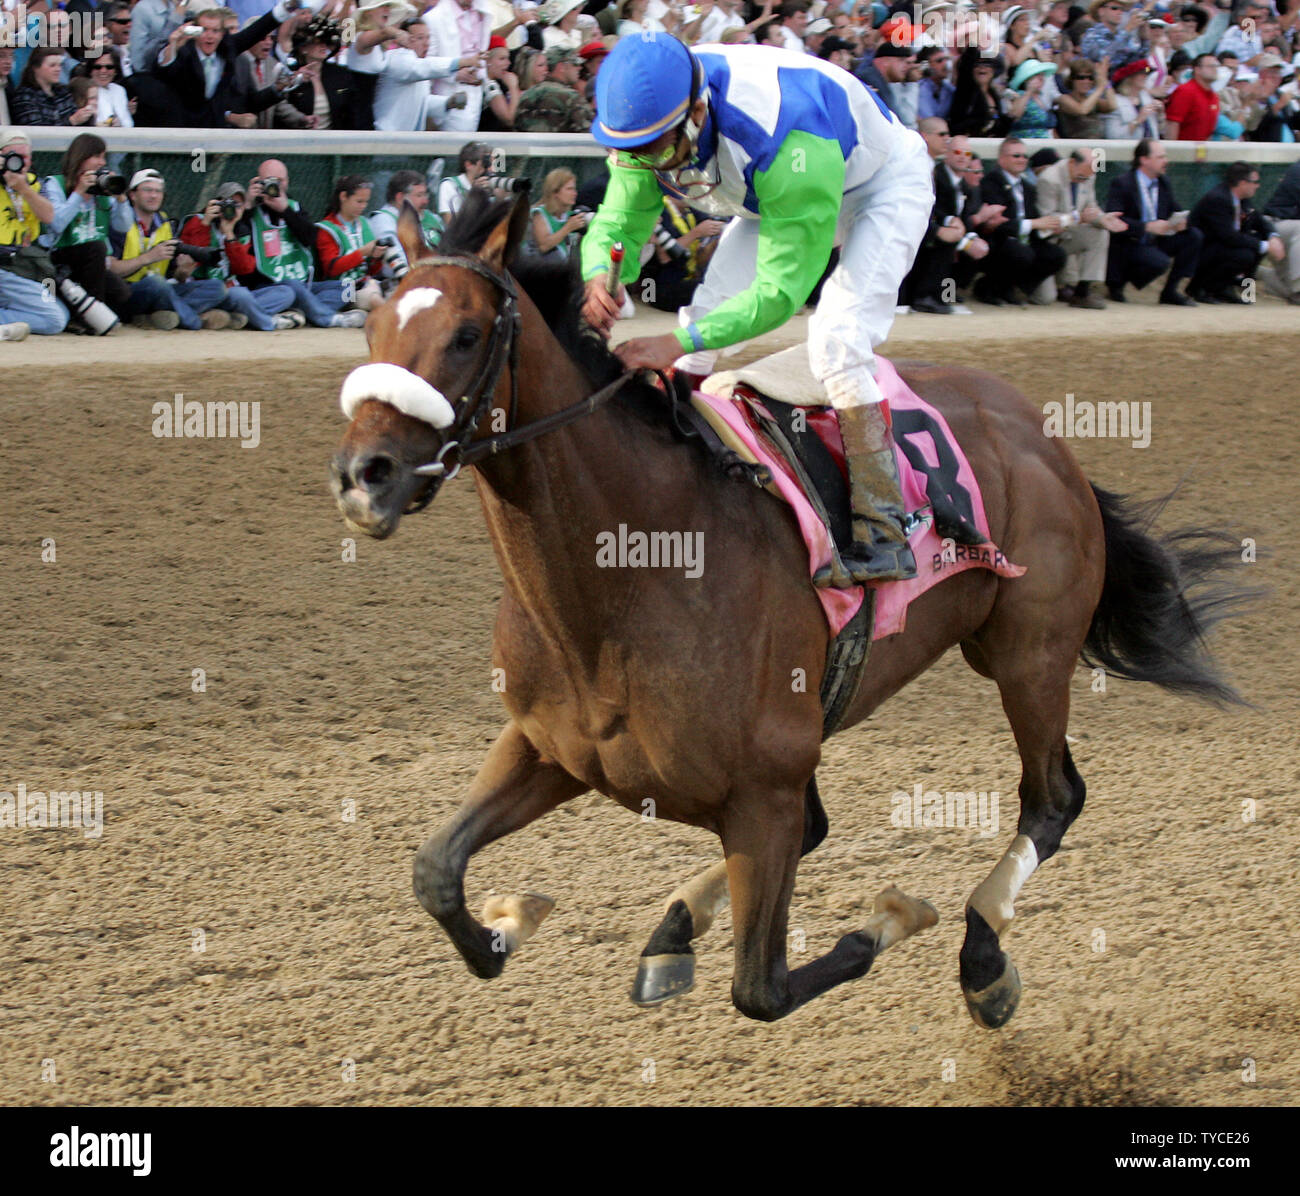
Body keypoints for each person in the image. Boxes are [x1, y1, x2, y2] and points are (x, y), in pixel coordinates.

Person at [580, 34, 938, 583]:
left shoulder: (785, 134)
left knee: (837, 342)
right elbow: (619, 220)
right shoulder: (644, 120)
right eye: (636, 150)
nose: (646, 162)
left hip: (875, 186)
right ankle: (679, 460)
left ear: (696, 111)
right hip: (763, 193)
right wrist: (599, 279)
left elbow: (778, 295)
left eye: (658, 148)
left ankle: (885, 531)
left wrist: (674, 344)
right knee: (706, 314)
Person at [224, 158, 366, 327]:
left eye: (280, 181)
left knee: (348, 288)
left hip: (302, 283)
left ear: (288, 182)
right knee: (291, 289)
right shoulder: (250, 212)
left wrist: (284, 210)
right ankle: (328, 319)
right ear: (258, 182)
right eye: (270, 181)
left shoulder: (293, 207)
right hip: (270, 286)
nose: (275, 185)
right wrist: (247, 205)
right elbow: (237, 240)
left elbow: (310, 238)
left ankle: (301, 312)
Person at [153, 2, 310, 129]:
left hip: (216, 136)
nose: (209, 36)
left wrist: (288, 6)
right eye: (204, 30)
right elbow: (163, 71)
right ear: (194, 31)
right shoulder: (184, 52)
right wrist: (173, 44)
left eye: (215, 31)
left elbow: (258, 29)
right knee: (195, 168)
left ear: (222, 34)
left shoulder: (227, 49)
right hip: (182, 135)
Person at [109, 168, 232, 329]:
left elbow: (175, 276)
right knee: (156, 283)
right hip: (129, 291)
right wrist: (147, 258)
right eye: (147, 190)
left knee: (216, 288)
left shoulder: (166, 223)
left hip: (163, 289)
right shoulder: (121, 222)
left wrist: (183, 271)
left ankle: (153, 317)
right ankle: (195, 321)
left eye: (158, 191)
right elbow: (111, 269)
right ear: (133, 195)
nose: (153, 195)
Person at [178, 181, 303, 331]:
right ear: (217, 204)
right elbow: (193, 259)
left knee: (286, 292)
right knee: (240, 294)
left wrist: (229, 235)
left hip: (232, 293)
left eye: (238, 205)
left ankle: (230, 316)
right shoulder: (197, 221)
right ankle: (268, 322)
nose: (232, 209)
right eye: (228, 203)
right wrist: (205, 223)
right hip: (207, 289)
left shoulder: (241, 230)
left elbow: (244, 268)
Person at [903, 117, 993, 314]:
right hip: (915, 226)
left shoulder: (965, 185)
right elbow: (925, 208)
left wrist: (966, 234)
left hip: (935, 227)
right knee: (951, 245)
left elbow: (959, 216)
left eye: (967, 153)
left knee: (970, 247)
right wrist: (954, 233)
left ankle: (946, 296)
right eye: (942, 135)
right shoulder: (932, 171)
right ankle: (929, 296)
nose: (962, 157)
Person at [1104, 137, 1202, 304]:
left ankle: (1170, 291)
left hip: (1156, 240)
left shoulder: (1163, 182)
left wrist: (1181, 222)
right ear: (1144, 159)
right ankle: (1117, 283)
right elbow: (1114, 220)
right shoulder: (1123, 183)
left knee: (1193, 236)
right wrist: (1146, 227)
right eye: (1160, 157)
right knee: (1159, 261)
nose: (1166, 161)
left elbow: (1175, 209)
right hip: (1130, 241)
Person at [974, 137, 1068, 305]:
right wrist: (1034, 224)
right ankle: (986, 287)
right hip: (996, 243)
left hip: (1025, 241)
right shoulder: (990, 183)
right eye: (1016, 156)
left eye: (1025, 156)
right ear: (1002, 159)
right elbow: (997, 226)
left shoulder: (1028, 187)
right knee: (1020, 252)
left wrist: (1050, 227)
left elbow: (1035, 219)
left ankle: (1009, 286)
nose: (1022, 160)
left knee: (1056, 255)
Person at [1034, 148, 1129, 307]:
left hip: (1069, 235)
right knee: (1044, 299)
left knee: (1100, 233)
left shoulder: (1088, 175)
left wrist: (1103, 219)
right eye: (1083, 174)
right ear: (1072, 163)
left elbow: (1091, 208)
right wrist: (1079, 217)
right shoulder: (1049, 179)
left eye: (1090, 175)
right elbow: (1048, 221)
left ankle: (1082, 292)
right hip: (1047, 242)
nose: (1087, 178)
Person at [0, 128, 69, 339]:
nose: (20, 162)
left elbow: (49, 217)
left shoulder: (34, 183)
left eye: (26, 156)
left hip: (26, 268)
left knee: (61, 314)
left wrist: (24, 189)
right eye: (14, 156)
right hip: (3, 265)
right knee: (54, 319)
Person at [1187, 160, 1285, 302]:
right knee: (1246, 253)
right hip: (1203, 251)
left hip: (1222, 247)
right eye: (1255, 182)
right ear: (1242, 183)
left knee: (1256, 246)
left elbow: (1259, 220)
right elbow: (1228, 237)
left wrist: (1273, 237)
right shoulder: (1218, 199)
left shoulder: (1242, 199)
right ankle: (1201, 288)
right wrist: (1265, 246)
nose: (1258, 185)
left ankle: (1239, 291)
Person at [373, 16, 477, 130]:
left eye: (428, 37)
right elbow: (423, 68)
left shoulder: (417, 64)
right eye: (420, 38)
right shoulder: (397, 58)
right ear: (404, 39)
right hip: (386, 135)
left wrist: (448, 102)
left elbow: (420, 103)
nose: (426, 43)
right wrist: (462, 62)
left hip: (402, 138)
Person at [315, 174, 385, 310]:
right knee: (374, 299)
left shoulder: (364, 223)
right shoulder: (327, 229)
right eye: (359, 201)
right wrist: (362, 252)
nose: (363, 206)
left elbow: (372, 270)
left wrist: (377, 257)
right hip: (342, 290)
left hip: (366, 283)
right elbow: (332, 269)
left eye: (366, 202)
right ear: (343, 197)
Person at [369, 170, 443, 277]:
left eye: (425, 194)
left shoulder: (432, 217)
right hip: (405, 282)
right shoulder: (384, 220)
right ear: (400, 198)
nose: (425, 201)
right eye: (419, 195)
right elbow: (395, 266)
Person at [514, 45, 593, 131]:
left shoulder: (526, 96)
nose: (579, 67)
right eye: (575, 63)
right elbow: (590, 133)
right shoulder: (571, 97)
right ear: (562, 67)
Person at [12, 48, 97, 127]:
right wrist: (71, 121)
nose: (58, 69)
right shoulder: (24, 96)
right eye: (52, 65)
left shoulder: (63, 91)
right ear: (35, 68)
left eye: (59, 65)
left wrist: (87, 116)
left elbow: (77, 119)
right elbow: (36, 129)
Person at [523, 167, 588, 262]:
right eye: (569, 189)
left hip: (563, 270)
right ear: (555, 192)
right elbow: (544, 246)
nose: (575, 193)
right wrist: (568, 228)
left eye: (574, 189)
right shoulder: (539, 214)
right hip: (538, 270)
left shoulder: (570, 215)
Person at [1260, 158, 1300, 302]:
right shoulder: (1298, 170)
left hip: (1292, 231)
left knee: (1287, 288)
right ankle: (1299, 289)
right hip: (1275, 226)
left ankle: (1264, 275)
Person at [1164, 51, 1221, 137]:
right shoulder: (1185, 91)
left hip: (1201, 148)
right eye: (1211, 66)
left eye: (1217, 66)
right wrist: (1172, 149)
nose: (1215, 69)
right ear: (1197, 70)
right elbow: (1172, 124)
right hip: (1183, 148)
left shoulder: (1214, 96)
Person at [437, 141, 489, 223]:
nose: (490, 168)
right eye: (485, 163)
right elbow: (450, 223)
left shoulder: (491, 185)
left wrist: (500, 198)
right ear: (468, 165)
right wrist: (473, 195)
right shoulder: (450, 185)